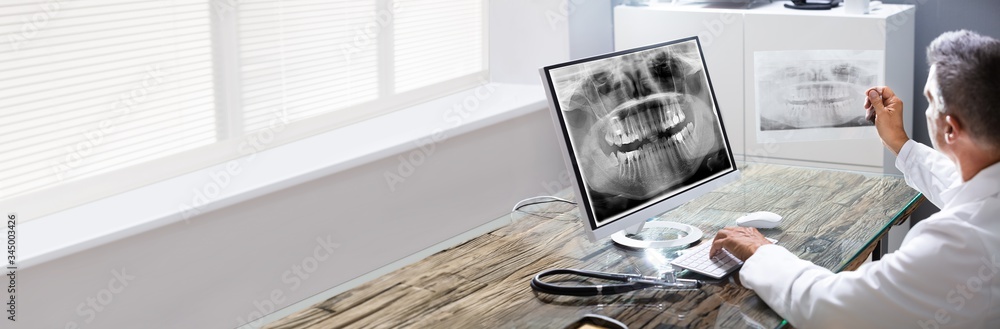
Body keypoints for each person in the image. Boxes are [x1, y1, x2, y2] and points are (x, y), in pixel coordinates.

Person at [710, 30, 1000, 328]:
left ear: (950, 130)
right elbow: (966, 189)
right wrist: (900, 143)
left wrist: (761, 253)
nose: (926, 110)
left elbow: (829, 308)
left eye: (929, 102)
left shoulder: (959, 245)